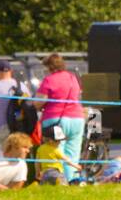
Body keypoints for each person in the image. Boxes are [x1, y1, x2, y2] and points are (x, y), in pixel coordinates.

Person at [34, 53, 85, 184]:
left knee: (56, 152)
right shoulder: (73, 78)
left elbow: (39, 102)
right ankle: (73, 181)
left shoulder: (49, 80)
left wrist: (36, 105)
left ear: (50, 67)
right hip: (77, 118)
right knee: (72, 154)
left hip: (56, 119)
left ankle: (60, 182)